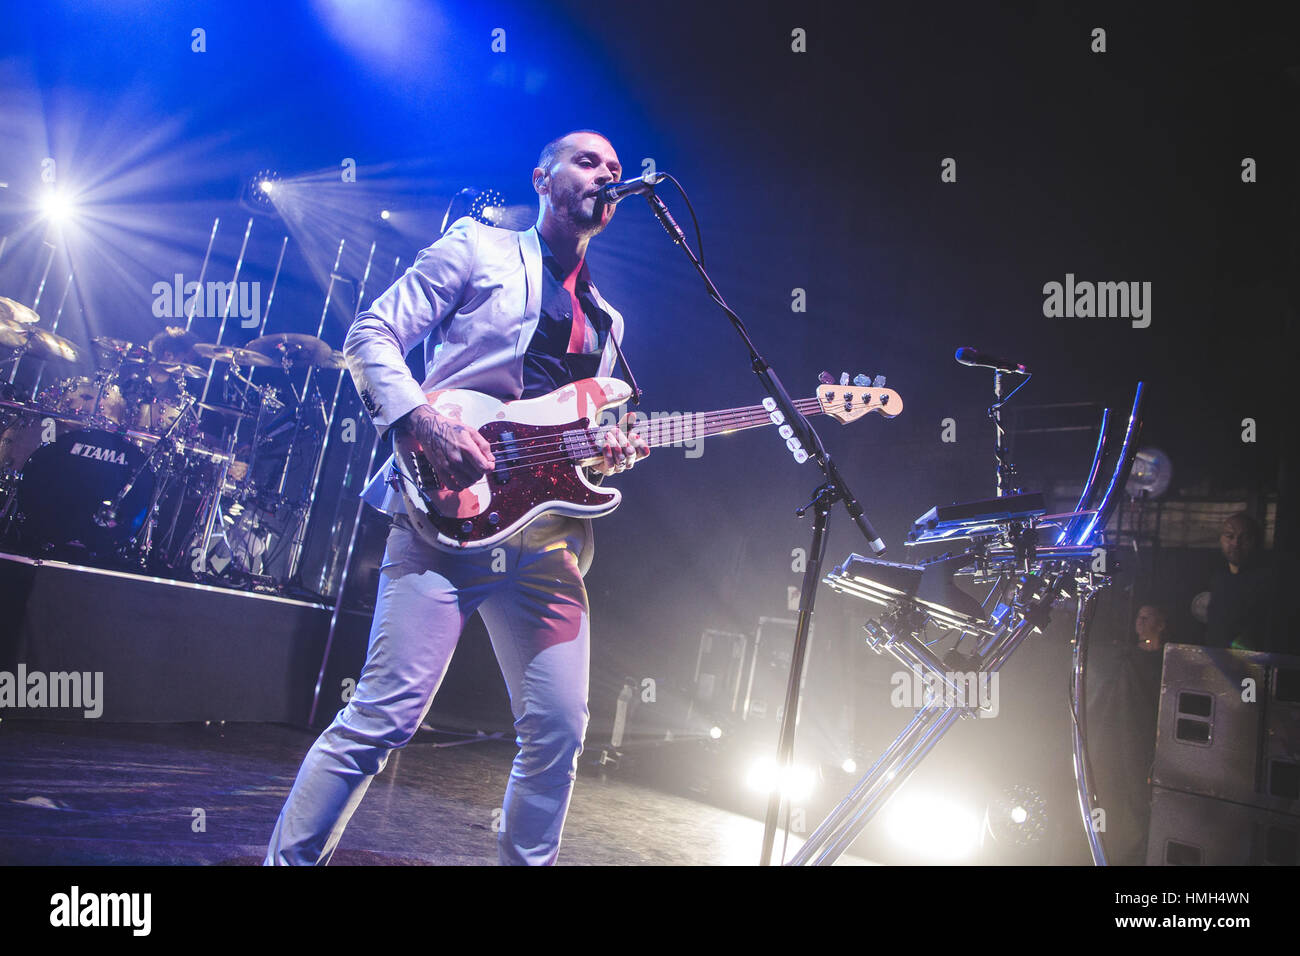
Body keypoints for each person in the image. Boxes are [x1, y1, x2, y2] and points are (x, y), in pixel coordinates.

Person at [265, 130, 650, 865]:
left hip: (544, 541)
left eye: (616, 167)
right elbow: (372, 332)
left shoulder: (608, 320)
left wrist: (609, 451)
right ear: (542, 177)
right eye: (588, 160)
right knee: (383, 717)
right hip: (445, 515)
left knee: (561, 730)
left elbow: (575, 433)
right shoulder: (476, 248)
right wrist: (420, 419)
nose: (607, 173)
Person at [1205, 512, 1286, 652]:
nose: (1236, 543)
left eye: (1245, 537)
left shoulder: (1270, 581)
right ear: (1220, 539)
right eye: (1230, 536)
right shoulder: (1218, 579)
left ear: (1256, 541)